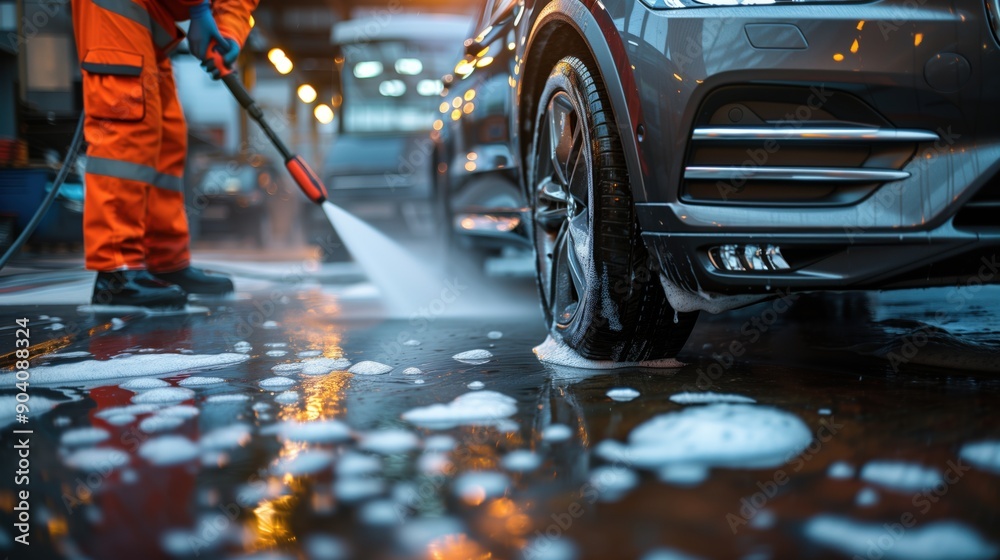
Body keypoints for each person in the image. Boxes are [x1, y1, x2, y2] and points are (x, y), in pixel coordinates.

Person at [72, 0, 258, 308]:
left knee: (167, 135)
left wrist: (228, 31)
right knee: (128, 126)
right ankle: (116, 270)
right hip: (115, 8)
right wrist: (198, 8)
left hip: (152, 15)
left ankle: (165, 263)